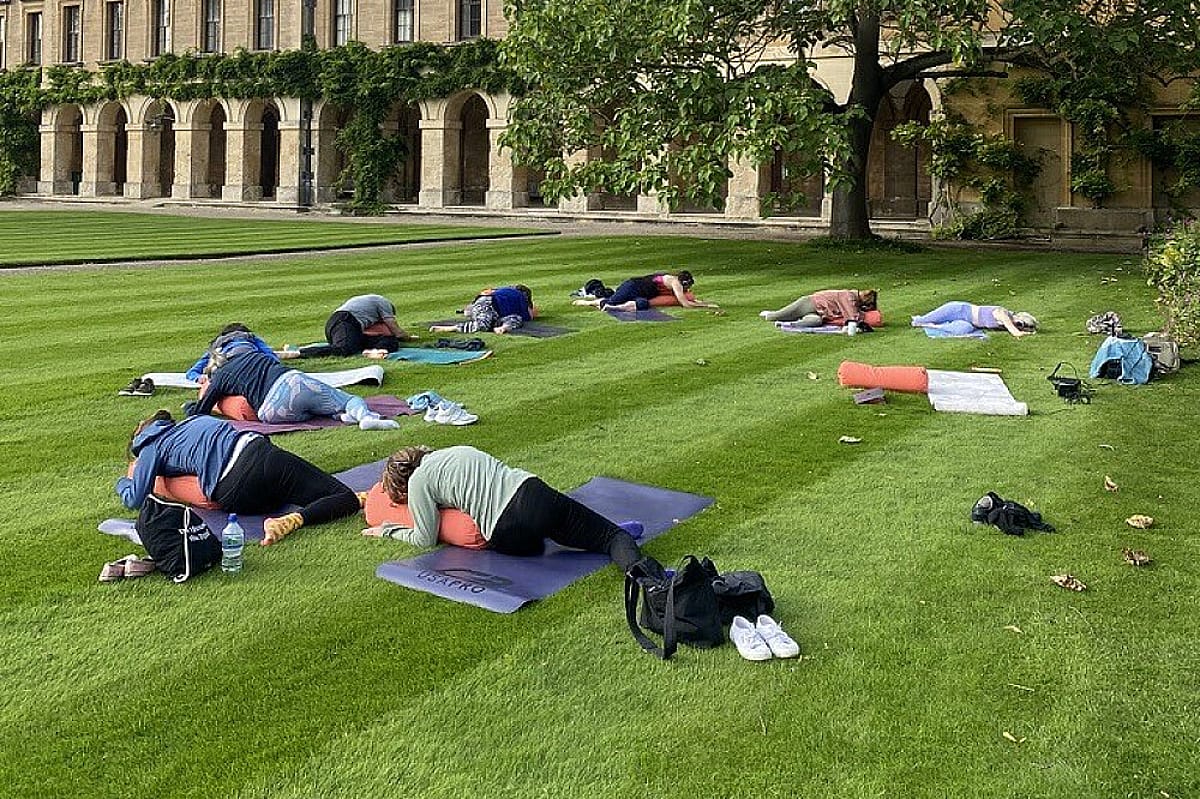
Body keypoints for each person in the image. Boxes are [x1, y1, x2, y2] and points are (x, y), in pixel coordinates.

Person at [374, 445, 644, 570]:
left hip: (507, 529)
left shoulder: (420, 481)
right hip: (533, 491)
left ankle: (579, 536)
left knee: (537, 546)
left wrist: (388, 530)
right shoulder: (455, 451)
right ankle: (651, 578)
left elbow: (425, 538)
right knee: (611, 537)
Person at [117, 410, 361, 545]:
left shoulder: (151, 446)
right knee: (342, 496)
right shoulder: (195, 422)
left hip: (236, 494)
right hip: (259, 456)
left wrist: (122, 482)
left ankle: (288, 519)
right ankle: (295, 518)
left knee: (300, 493)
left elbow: (135, 498)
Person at [185, 349, 399, 430]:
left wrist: (189, 407)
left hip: (269, 413)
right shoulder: (252, 356)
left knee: (312, 411)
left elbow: (201, 411)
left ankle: (343, 416)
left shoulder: (220, 378)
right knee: (345, 399)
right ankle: (363, 415)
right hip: (292, 383)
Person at [185, 323, 296, 383]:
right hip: (250, 362)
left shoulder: (218, 345)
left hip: (229, 368)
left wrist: (199, 378)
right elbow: (272, 358)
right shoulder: (252, 338)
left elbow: (192, 372)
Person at [572, 271, 718, 312]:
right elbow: (685, 303)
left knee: (642, 304)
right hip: (633, 286)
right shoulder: (675, 283)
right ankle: (586, 303)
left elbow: (688, 299)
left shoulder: (673, 282)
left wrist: (700, 302)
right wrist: (705, 306)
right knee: (611, 301)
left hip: (641, 293)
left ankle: (614, 306)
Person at [321, 294, 413, 356]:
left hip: (343, 324)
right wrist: (408, 337)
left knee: (390, 340)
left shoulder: (367, 309)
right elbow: (393, 328)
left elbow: (374, 332)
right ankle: (306, 354)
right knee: (345, 349)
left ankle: (375, 352)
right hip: (344, 320)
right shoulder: (384, 303)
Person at [429, 285, 537, 335]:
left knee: (515, 318)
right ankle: (451, 328)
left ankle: (502, 328)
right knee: (483, 325)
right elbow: (529, 316)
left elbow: (484, 292)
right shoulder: (520, 297)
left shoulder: (504, 290)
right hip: (488, 305)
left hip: (486, 307)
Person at [759, 289, 878, 328]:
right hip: (809, 304)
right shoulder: (848, 296)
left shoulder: (853, 299)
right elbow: (852, 316)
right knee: (774, 317)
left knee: (815, 321)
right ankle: (770, 313)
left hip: (818, 312)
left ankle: (787, 324)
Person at [910, 301, 1038, 338]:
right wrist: (1019, 332)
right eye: (1021, 324)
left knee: (965, 329)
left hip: (968, 321)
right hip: (959, 309)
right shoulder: (1002, 313)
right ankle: (926, 322)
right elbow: (1013, 331)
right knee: (921, 320)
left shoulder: (1005, 321)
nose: (1019, 326)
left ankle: (933, 326)